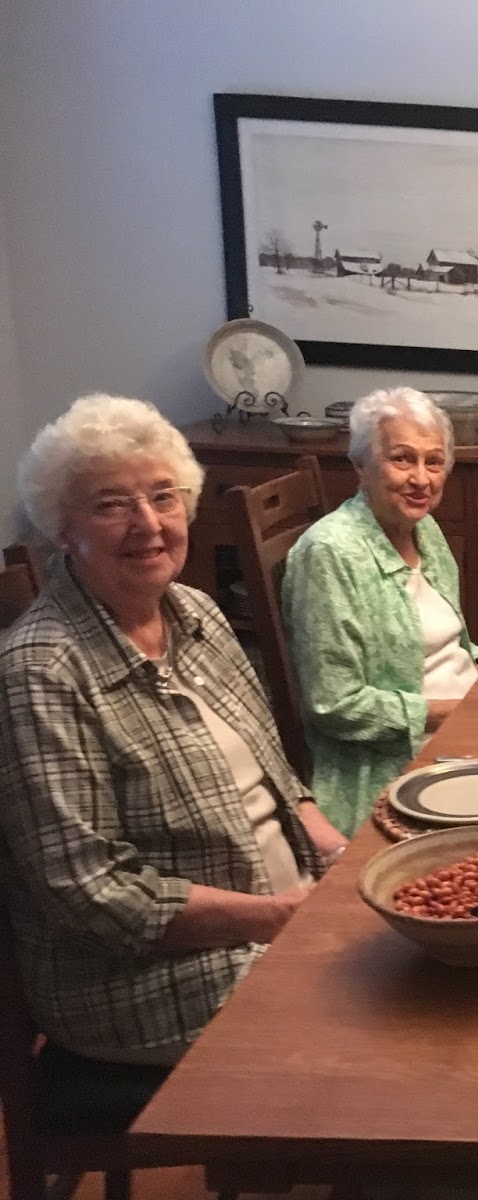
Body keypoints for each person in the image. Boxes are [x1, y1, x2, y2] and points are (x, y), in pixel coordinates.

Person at [0, 394, 347, 1125]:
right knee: (405, 1028)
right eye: (111, 505)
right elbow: (90, 890)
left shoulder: (197, 614)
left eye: (164, 497)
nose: (149, 524)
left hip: (283, 914)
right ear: (63, 527)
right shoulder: (40, 669)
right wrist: (279, 919)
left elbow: (279, 780)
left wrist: (342, 855)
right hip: (145, 980)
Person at [283, 387, 478, 835]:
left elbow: (455, 644)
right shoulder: (328, 555)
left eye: (434, 462)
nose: (422, 478)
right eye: (402, 459)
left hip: (464, 721)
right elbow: (333, 705)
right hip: (392, 763)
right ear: (361, 466)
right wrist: (457, 711)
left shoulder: (424, 528)